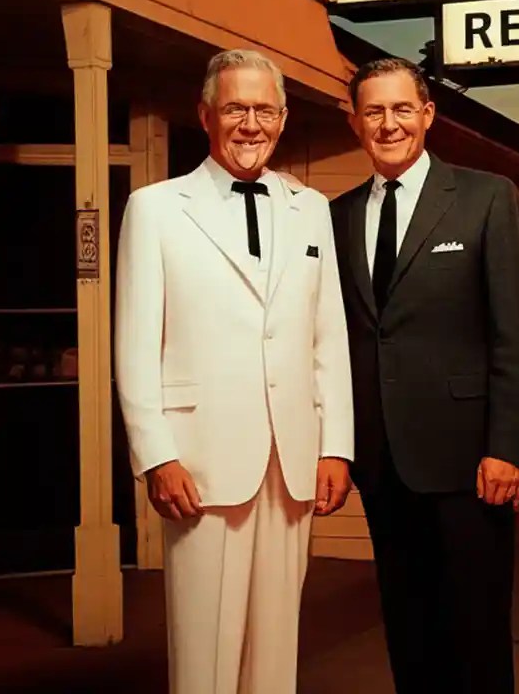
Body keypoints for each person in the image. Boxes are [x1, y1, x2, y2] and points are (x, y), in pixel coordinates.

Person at [114, 48, 353, 694]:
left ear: (282, 117)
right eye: (236, 108)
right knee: (204, 654)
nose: (251, 124)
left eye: (265, 110)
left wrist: (336, 447)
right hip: (201, 465)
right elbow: (135, 345)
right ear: (206, 115)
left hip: (292, 458)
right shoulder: (156, 209)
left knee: (277, 650)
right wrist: (156, 456)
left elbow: (328, 335)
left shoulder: (313, 210)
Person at [329, 57, 519, 693]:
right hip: (382, 460)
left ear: (427, 115)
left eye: (400, 109)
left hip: (467, 462)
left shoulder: (485, 197)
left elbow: (515, 334)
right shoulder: (336, 217)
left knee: (474, 630)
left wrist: (506, 447)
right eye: (373, 111)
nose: (388, 124)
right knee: (408, 627)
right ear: (356, 122)